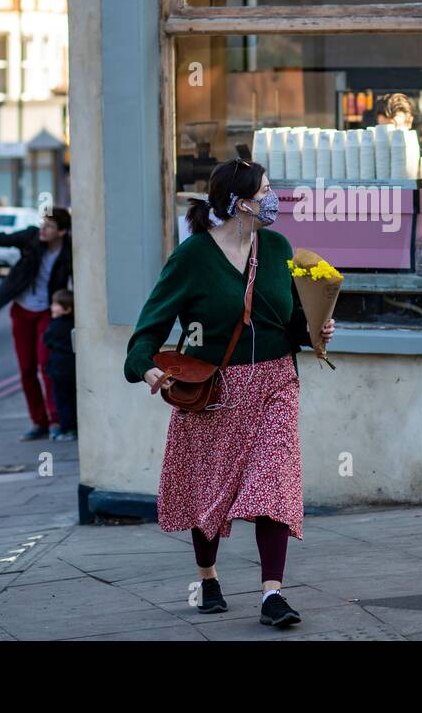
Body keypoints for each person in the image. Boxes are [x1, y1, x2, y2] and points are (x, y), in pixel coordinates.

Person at [124, 159, 335, 629]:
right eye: (264, 190)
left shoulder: (278, 247)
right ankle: (208, 577)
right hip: (217, 388)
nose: (273, 196)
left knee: (272, 480)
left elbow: (289, 322)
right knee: (209, 489)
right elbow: (148, 328)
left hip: (277, 382)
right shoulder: (193, 257)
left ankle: (272, 594)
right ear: (240, 203)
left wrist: (317, 329)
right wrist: (146, 369)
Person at [0, 208, 73, 440]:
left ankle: (56, 420)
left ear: (61, 231)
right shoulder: (31, 238)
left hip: (47, 311)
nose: (43, 230)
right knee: (27, 368)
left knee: (47, 366)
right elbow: (1, 237)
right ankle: (39, 422)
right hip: (22, 310)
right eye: (42, 225)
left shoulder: (70, 251)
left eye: (49, 226)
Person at [43, 289, 77, 441]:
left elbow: (46, 340)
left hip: (59, 371)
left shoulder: (55, 326)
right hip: (71, 370)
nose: (52, 307)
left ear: (67, 309)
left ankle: (66, 429)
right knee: (72, 399)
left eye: (56, 304)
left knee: (62, 401)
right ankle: (74, 427)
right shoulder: (73, 325)